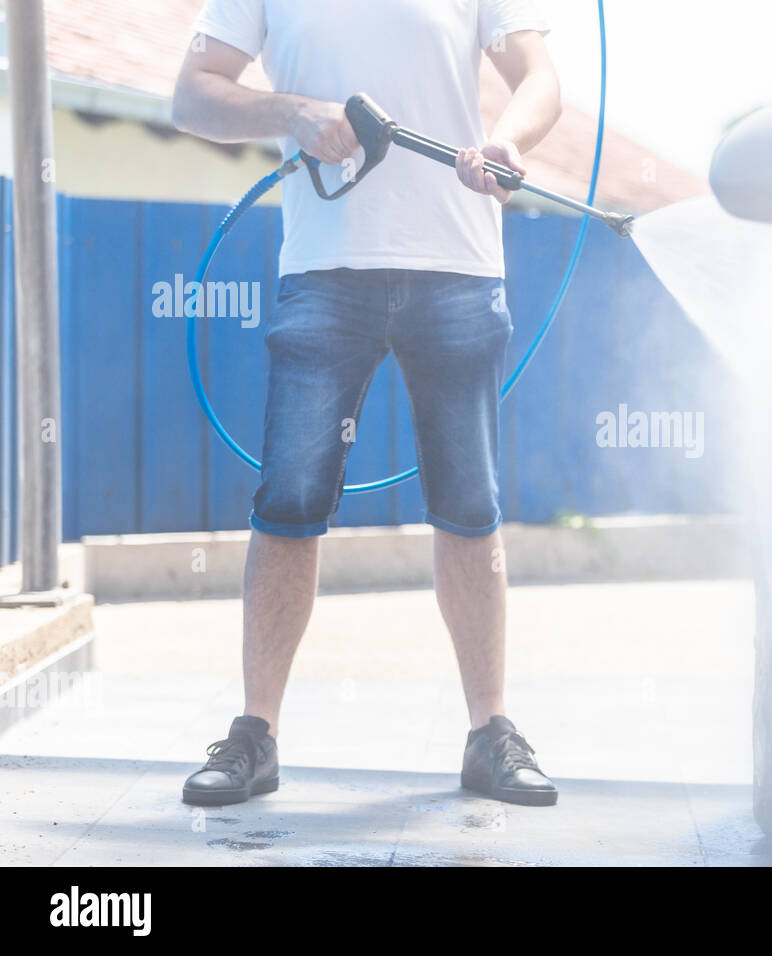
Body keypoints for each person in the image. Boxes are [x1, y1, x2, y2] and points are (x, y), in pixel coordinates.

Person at [171, 0, 563, 807]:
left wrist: (509, 142)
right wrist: (294, 113)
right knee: (288, 498)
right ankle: (257, 735)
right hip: (325, 272)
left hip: (459, 268)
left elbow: (541, 77)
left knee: (469, 504)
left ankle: (490, 733)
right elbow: (192, 95)